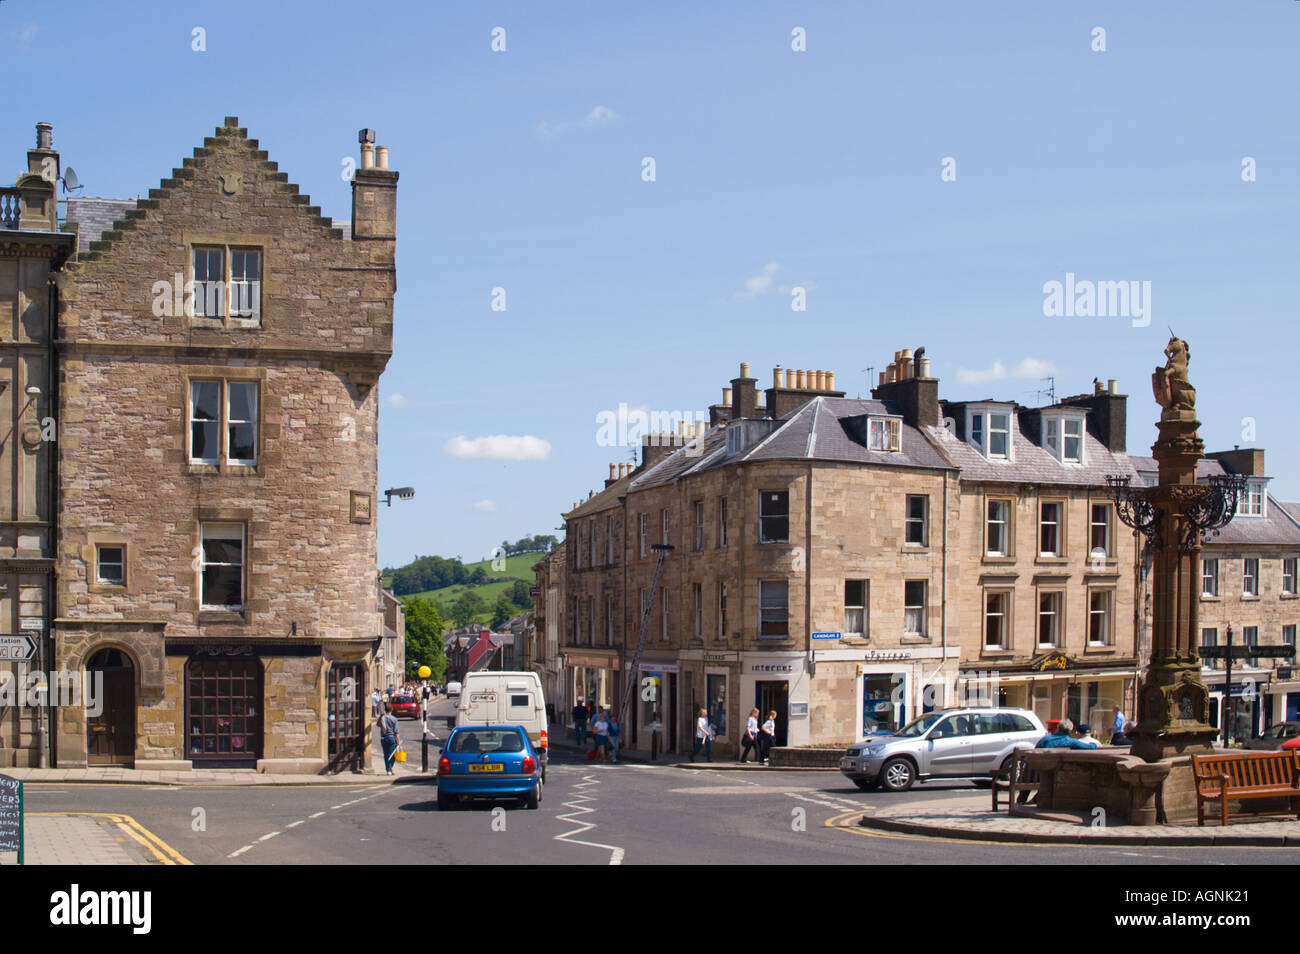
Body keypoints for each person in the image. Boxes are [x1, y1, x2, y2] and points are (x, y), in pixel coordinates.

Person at [379, 702, 402, 775]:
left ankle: (389, 769)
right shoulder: (394, 719)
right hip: (391, 738)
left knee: (386, 755)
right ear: (392, 709)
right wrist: (399, 742)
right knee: (393, 754)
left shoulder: (382, 718)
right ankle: (389, 769)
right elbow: (396, 732)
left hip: (383, 738)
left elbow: (379, 725)